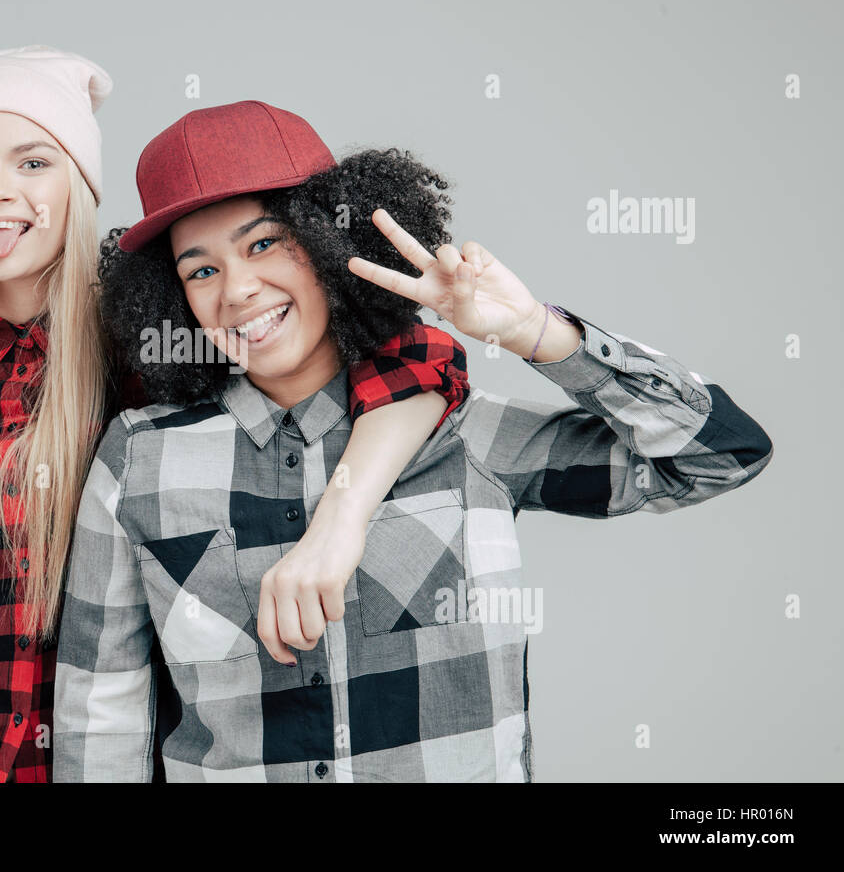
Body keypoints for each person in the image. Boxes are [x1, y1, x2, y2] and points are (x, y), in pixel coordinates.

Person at [0, 50, 470, 783]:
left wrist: (341, 517)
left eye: (33, 161)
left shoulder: (157, 344)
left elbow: (406, 359)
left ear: (79, 186)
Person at [52, 99, 774, 781]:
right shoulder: (140, 459)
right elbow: (100, 722)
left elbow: (719, 454)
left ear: (331, 240)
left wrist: (536, 334)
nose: (236, 290)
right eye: (202, 270)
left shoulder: (464, 433)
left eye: (265, 243)